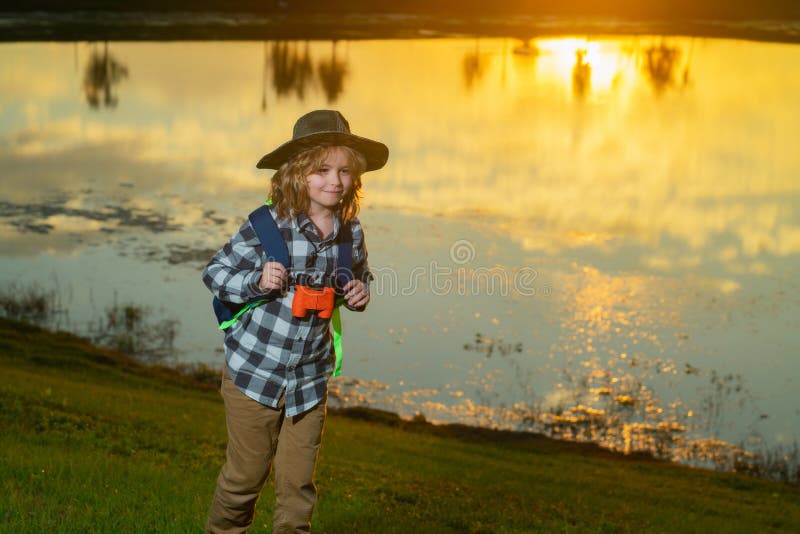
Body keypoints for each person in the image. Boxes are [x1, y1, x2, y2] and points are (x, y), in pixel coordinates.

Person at [203, 110, 388, 533]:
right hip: (255, 375)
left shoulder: (350, 232)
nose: (334, 181)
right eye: (322, 170)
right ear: (296, 173)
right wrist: (256, 281)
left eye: (344, 171)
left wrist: (358, 292)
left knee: (298, 486)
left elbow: (356, 277)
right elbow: (214, 273)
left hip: (308, 380)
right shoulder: (268, 226)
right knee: (243, 481)